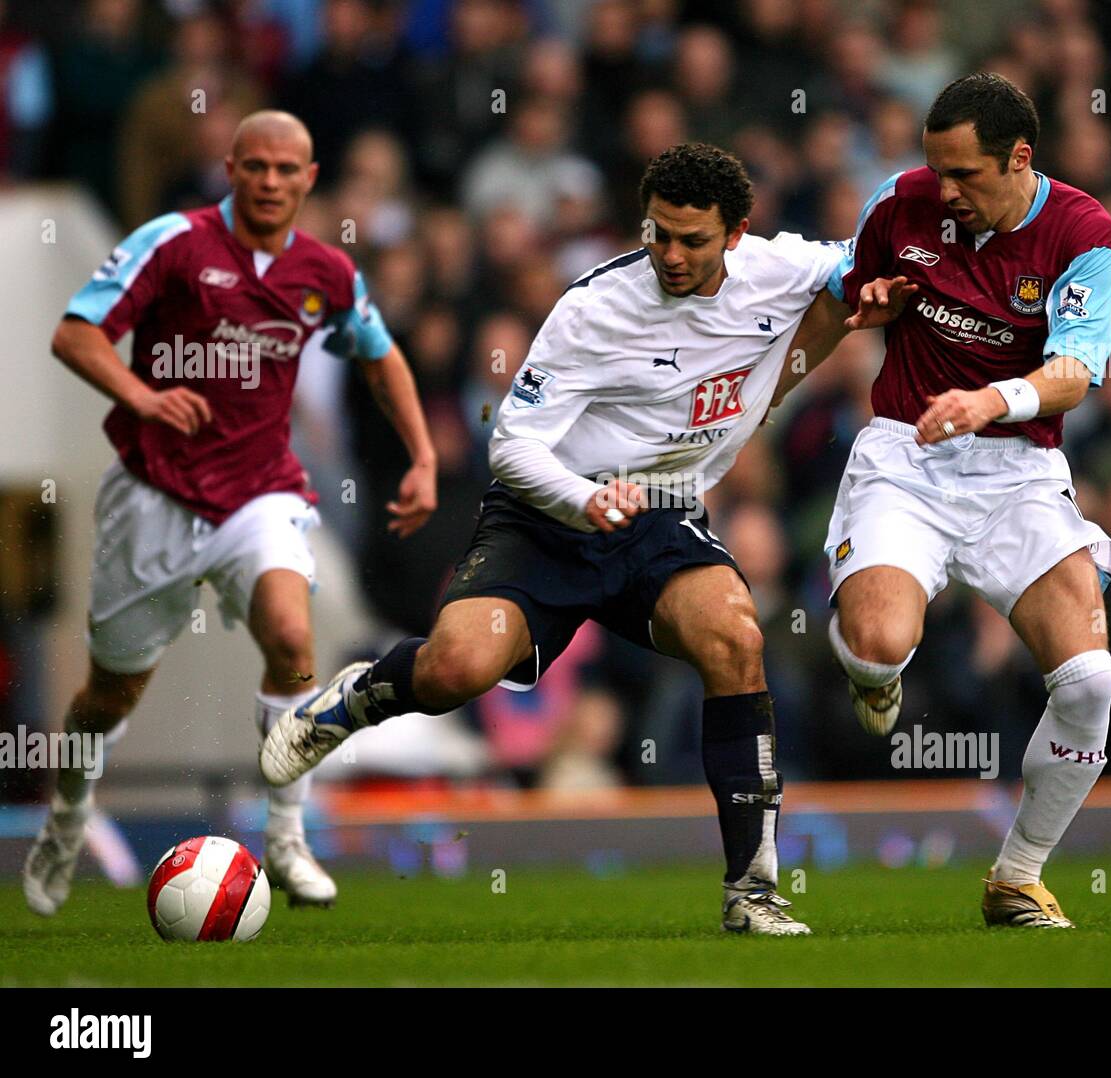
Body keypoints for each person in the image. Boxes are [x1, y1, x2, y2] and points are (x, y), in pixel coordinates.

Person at [262, 143, 853, 935]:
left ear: (736, 235)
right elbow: (511, 444)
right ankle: (353, 699)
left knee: (736, 638)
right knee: (456, 668)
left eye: (693, 240)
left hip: (661, 514)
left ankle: (751, 893)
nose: (671, 256)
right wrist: (584, 497)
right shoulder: (594, 307)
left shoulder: (782, 267)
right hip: (546, 516)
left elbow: (865, 257)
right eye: (658, 234)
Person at [23, 110, 437, 914]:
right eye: (257, 167)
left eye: (289, 170)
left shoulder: (324, 271)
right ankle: (67, 817)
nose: (273, 182)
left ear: (311, 179)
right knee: (108, 696)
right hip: (155, 496)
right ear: (232, 169)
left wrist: (421, 457)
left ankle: (287, 833)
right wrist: (144, 395)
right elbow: (75, 334)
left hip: (262, 493)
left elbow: (381, 355)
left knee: (291, 637)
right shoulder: (171, 243)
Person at [776, 73, 1111, 928]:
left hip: (1018, 469)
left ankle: (1017, 877)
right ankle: (874, 678)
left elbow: (1075, 373)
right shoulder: (901, 202)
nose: (947, 192)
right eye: (937, 171)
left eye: (965, 175)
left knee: (1088, 682)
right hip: (907, 457)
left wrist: (991, 401)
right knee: (879, 645)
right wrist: (835, 338)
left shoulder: (1083, 233)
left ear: (1020, 158)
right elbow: (840, 303)